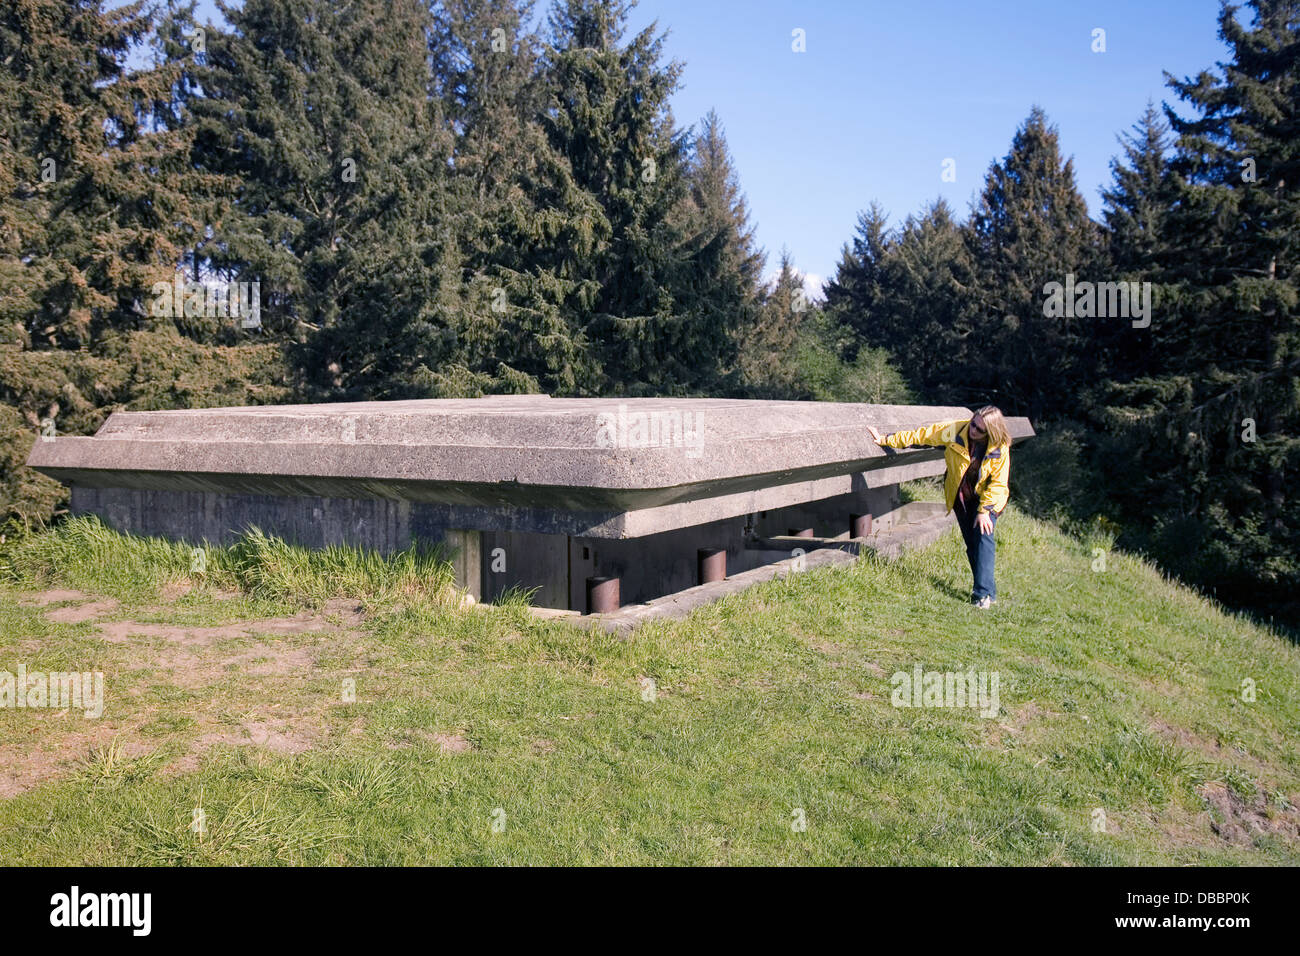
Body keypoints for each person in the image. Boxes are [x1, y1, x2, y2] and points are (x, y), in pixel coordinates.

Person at [866, 406, 1012, 609]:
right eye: (972, 423)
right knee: (972, 544)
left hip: (987, 500)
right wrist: (885, 439)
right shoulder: (956, 431)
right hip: (961, 497)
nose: (972, 430)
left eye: (979, 429)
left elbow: (998, 484)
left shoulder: (1000, 447)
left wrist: (984, 511)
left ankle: (982, 595)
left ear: (990, 431)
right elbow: (923, 435)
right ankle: (988, 591)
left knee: (983, 538)